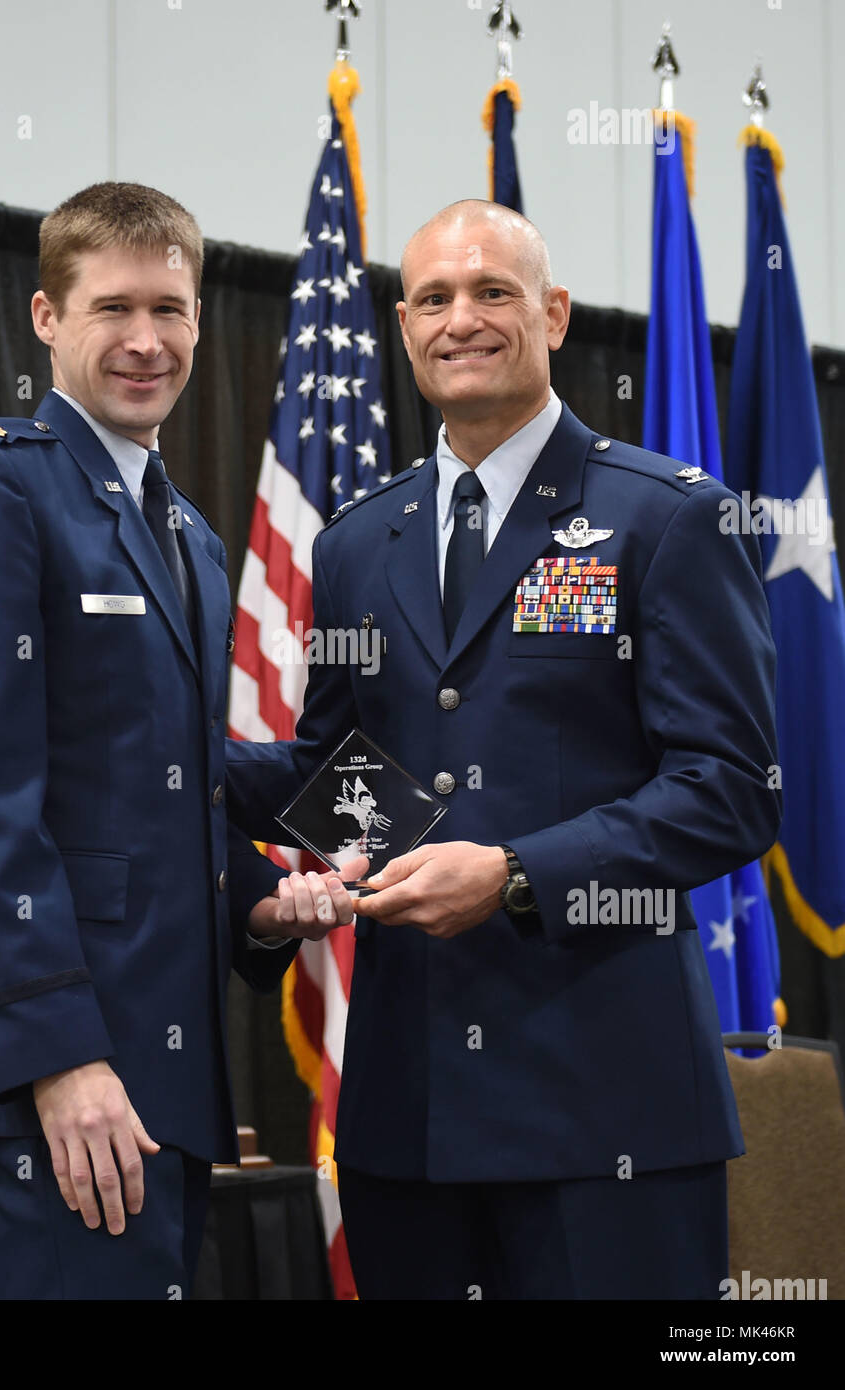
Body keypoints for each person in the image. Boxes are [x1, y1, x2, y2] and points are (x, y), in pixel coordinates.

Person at [225, 199, 781, 1300]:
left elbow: (730, 789)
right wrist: (167, 754)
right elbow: (348, 786)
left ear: (555, 313)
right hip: (409, 1108)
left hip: (605, 1106)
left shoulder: (666, 519)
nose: (461, 319)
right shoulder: (352, 544)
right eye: (433, 296)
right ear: (402, 324)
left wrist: (517, 874)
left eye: (493, 292)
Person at [0, 182, 361, 1300]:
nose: (146, 341)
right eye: (112, 308)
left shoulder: (187, 533)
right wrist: (59, 1055)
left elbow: (165, 781)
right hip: (76, 1069)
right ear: (48, 317)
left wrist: (257, 898)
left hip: (175, 1073)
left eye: (171, 309)